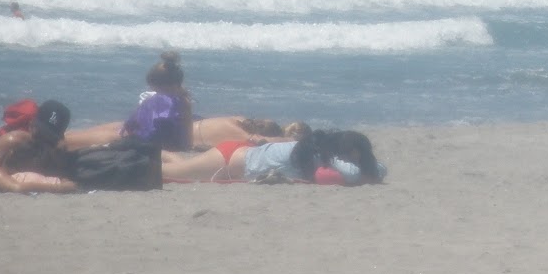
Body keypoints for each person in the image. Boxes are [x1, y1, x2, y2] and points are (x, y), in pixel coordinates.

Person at [159, 126, 385, 185]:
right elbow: (355, 174)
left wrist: (368, 163)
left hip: (238, 153)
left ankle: (162, 153)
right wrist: (367, 169)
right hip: (230, 161)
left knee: (184, 166)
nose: (355, 161)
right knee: (164, 173)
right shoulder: (326, 156)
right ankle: (149, 154)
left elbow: (381, 168)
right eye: (354, 156)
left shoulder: (317, 148)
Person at [63, 50, 196, 150]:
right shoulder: (183, 99)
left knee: (113, 135)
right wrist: (185, 148)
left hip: (150, 142)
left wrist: (128, 130)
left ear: (159, 85)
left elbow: (143, 125)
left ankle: (65, 140)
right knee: (115, 129)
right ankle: (68, 137)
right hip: (173, 144)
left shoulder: (159, 101)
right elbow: (187, 136)